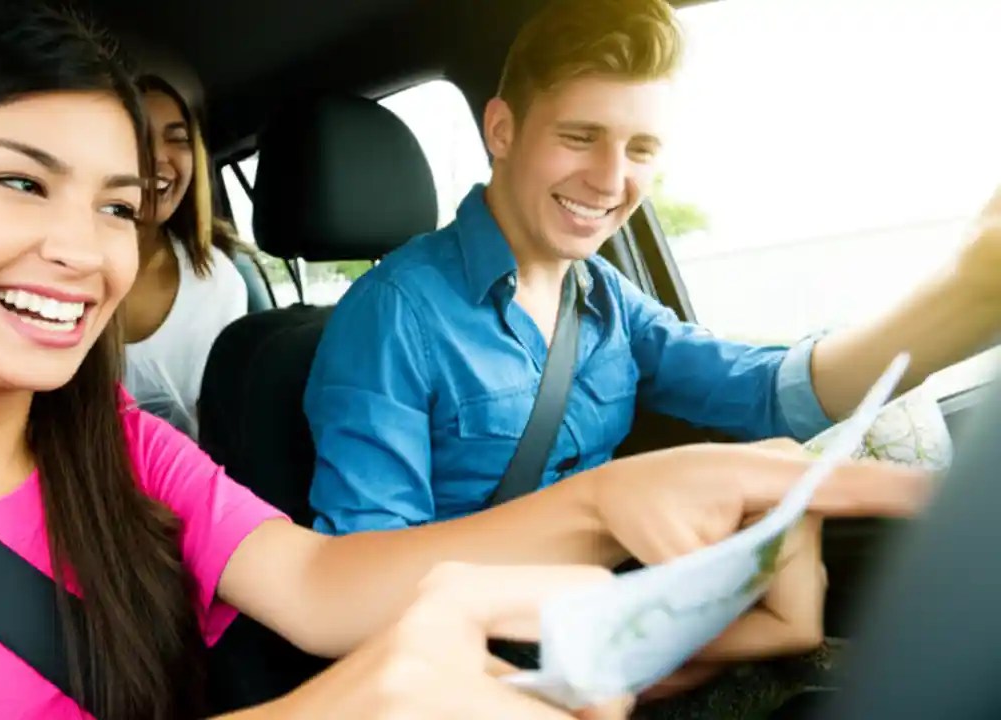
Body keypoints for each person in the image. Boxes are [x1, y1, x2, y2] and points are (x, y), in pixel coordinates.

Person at [0, 4, 930, 719]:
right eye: (16, 181)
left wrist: (610, 497)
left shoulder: (117, 447)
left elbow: (316, 579)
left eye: (115, 204)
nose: (78, 250)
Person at [304, 0, 1001, 536]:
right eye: (581, 138)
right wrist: (597, 523)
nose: (611, 180)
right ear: (502, 131)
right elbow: (367, 570)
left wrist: (967, 291)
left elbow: (764, 391)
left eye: (640, 149)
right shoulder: (393, 315)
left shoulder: (606, 299)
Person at [121, 73, 249, 438]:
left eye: (177, 140)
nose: (159, 157)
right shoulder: (63, 265)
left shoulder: (219, 283)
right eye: (137, 137)